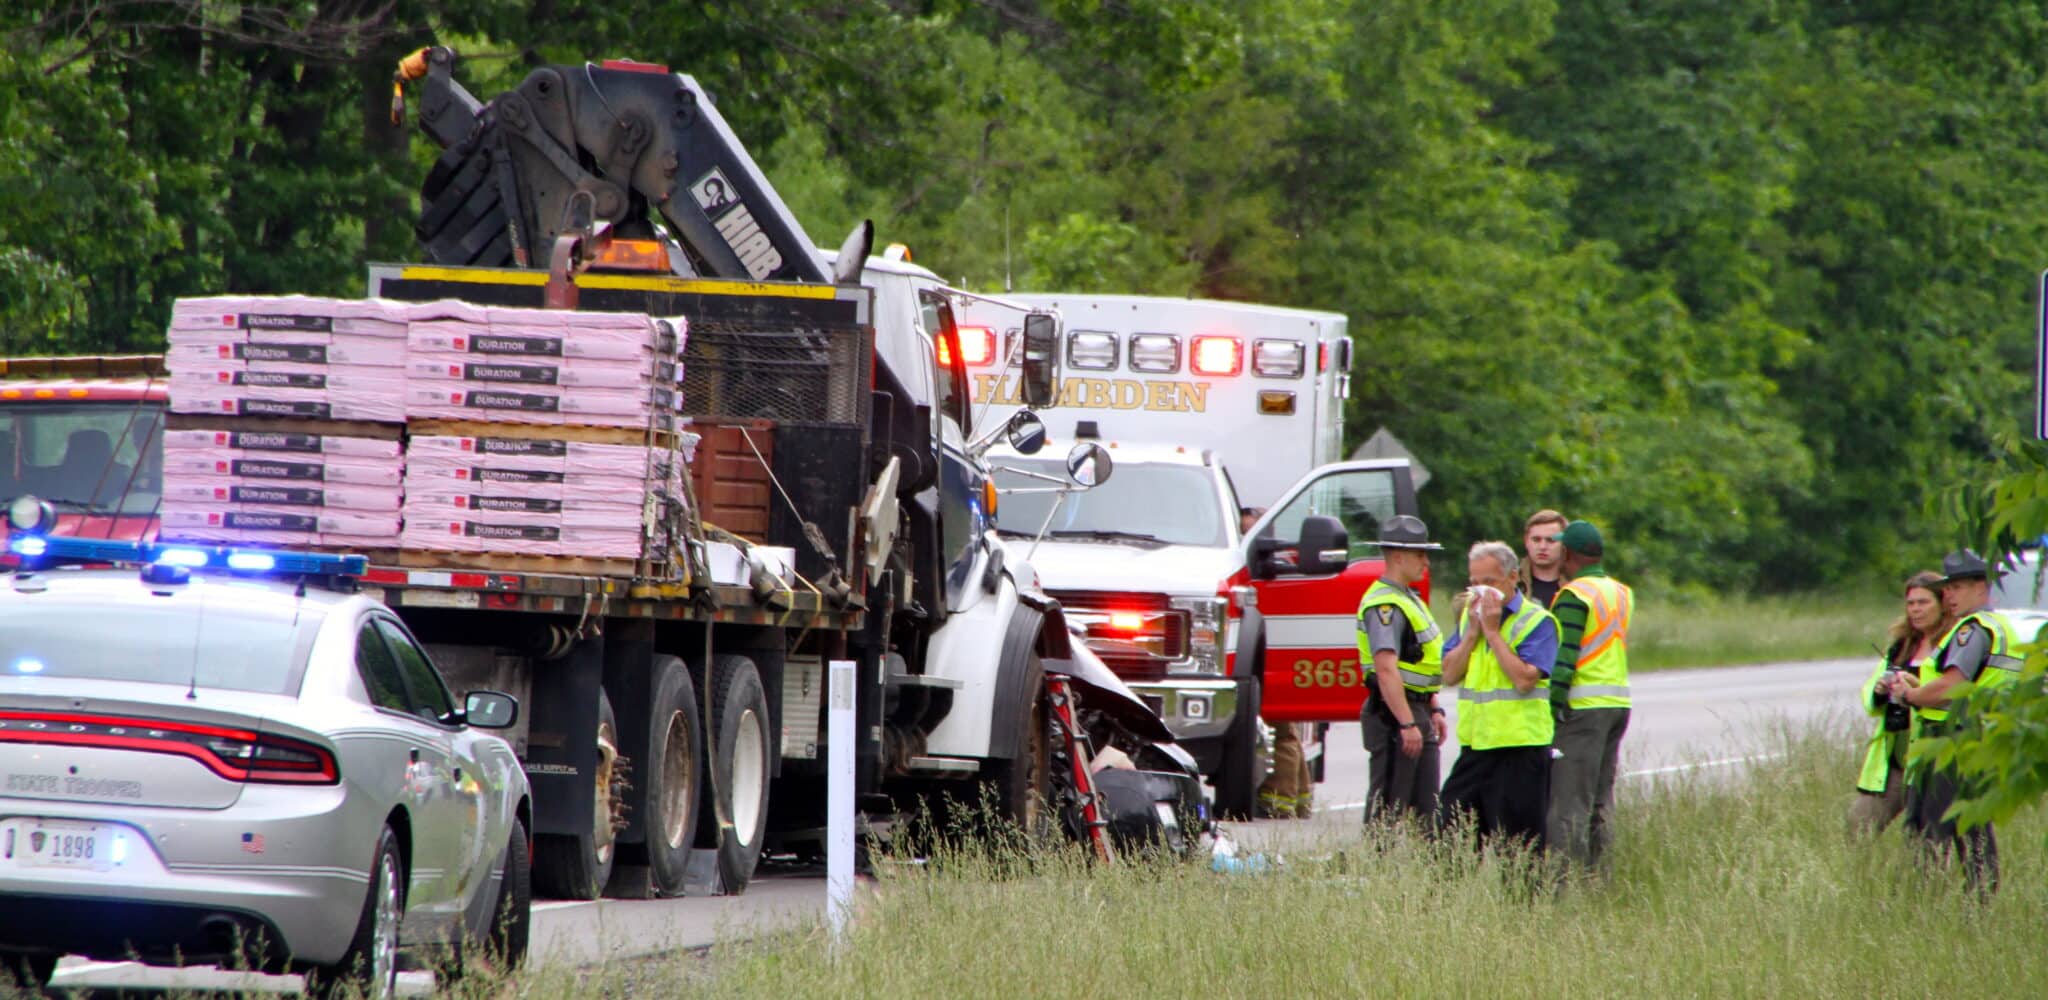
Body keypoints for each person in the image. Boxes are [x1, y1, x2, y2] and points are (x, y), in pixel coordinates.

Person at [1887, 550, 2019, 893]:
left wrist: (1911, 695)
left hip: (1955, 741)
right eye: (1947, 589)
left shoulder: (1972, 630)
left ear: (1982, 587)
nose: (1950, 596)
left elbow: (1952, 687)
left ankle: (1927, 903)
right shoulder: (2001, 626)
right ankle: (1979, 901)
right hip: (1982, 739)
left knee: (1934, 828)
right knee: (1972, 828)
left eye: (1958, 587)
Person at [1438, 541, 1558, 850]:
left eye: (1489, 582)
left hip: (1520, 749)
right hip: (1477, 747)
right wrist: (1472, 635)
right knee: (1450, 837)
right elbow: (1449, 674)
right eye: (1474, 583)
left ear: (1512, 577)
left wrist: (1493, 633)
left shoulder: (1536, 621)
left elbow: (1524, 679)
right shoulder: (1469, 619)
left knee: (1518, 849)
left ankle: (1521, 899)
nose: (1481, 592)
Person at [1544, 519, 1633, 871]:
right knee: (1600, 801)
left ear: (1568, 554)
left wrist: (1550, 709)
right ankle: (1600, 877)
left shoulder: (1574, 595)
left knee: (1569, 804)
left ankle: (1566, 884)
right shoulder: (1620, 591)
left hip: (1582, 709)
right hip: (1616, 704)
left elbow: (1563, 659)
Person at [1357, 515, 1448, 823]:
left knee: (1427, 809)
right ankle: (1379, 867)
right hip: (1395, 714)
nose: (1426, 562)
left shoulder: (1408, 598)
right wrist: (1407, 724)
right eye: (1420, 554)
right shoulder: (1386, 606)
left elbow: (1420, 662)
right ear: (1398, 556)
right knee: (1388, 810)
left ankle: (1423, 869)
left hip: (1415, 709)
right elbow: (1386, 669)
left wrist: (1434, 708)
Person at [1848, 571, 1947, 835]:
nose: (1915, 610)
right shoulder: (1902, 646)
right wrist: (1882, 690)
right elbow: (1870, 696)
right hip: (1896, 757)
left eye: (1923, 602)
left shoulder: (1954, 643)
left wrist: (1915, 689)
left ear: (1942, 603)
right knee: (1858, 828)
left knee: (1926, 837)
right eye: (1911, 603)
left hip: (1934, 756)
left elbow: (1952, 690)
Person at [1518, 509, 1570, 609]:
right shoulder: (1512, 583)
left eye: (1550, 540)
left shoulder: (1578, 586)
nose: (1542, 546)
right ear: (1526, 541)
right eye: (1536, 540)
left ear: (1564, 544)